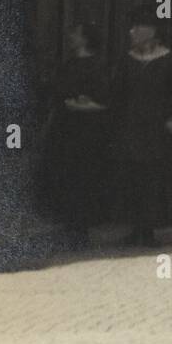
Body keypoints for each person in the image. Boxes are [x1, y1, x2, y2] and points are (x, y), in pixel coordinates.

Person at [111, 6, 172, 246]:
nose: (132, 32)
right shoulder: (127, 59)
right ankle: (135, 227)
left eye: (137, 28)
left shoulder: (167, 59)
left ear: (150, 31)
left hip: (156, 127)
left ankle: (150, 228)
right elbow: (118, 92)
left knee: (152, 177)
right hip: (131, 126)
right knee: (132, 176)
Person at [42, 21, 110, 247]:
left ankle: (81, 229)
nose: (71, 36)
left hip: (86, 129)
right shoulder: (69, 64)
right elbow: (58, 89)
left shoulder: (97, 66)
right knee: (66, 175)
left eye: (76, 33)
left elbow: (103, 97)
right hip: (65, 127)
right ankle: (69, 226)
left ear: (85, 38)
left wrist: (85, 101)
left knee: (83, 177)